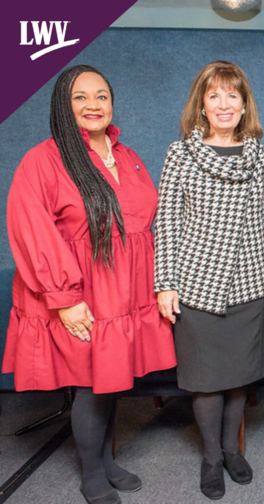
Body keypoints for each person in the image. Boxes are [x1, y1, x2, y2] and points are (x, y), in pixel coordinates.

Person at [4, 65, 176, 504]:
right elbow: (31, 230)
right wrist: (65, 298)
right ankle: (92, 473)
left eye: (101, 95)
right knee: (89, 383)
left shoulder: (127, 155)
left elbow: (142, 226)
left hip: (125, 291)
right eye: (80, 97)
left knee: (110, 379)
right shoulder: (43, 160)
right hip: (81, 292)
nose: (93, 104)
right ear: (63, 105)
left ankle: (107, 461)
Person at [154, 61, 264, 500]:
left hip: (250, 281)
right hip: (197, 284)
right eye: (214, 95)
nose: (224, 103)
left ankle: (232, 449)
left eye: (233, 95)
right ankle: (212, 457)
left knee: (238, 375)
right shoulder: (180, 154)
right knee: (206, 378)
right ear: (202, 105)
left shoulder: (259, 154)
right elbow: (167, 223)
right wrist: (165, 283)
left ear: (244, 104)